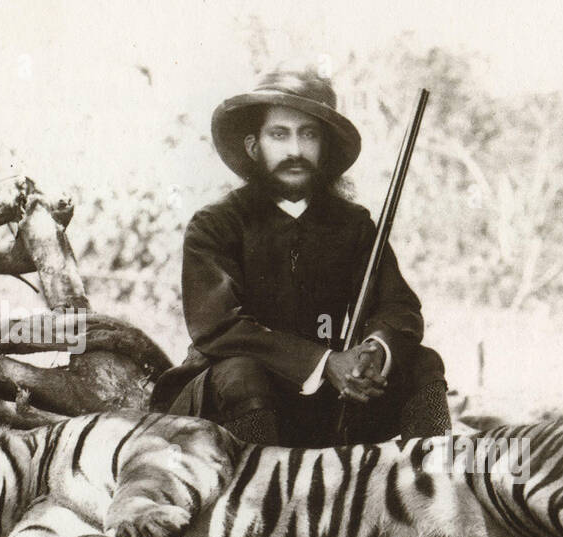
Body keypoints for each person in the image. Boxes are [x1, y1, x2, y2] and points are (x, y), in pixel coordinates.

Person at [151, 69, 451, 446]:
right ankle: (259, 499)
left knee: (423, 364)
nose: (295, 150)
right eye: (279, 134)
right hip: (231, 406)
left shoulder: (353, 225)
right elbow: (219, 329)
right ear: (253, 145)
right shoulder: (215, 225)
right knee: (242, 373)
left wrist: (374, 351)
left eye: (308, 134)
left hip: (326, 404)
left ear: (324, 148)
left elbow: (399, 307)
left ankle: (429, 485)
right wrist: (326, 363)